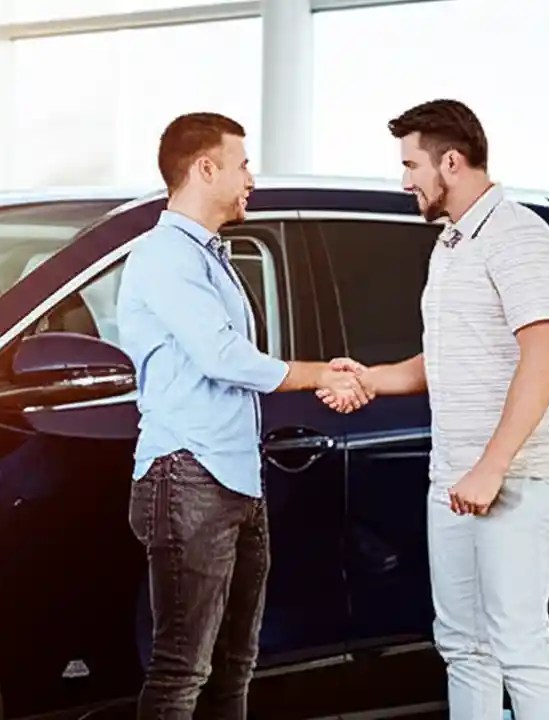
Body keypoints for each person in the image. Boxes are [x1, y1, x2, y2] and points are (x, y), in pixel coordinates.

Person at [321, 99, 549, 719]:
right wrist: (370, 380)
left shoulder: (517, 236)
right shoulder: (451, 246)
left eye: (411, 164)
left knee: (519, 646)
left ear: (450, 162)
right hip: (453, 477)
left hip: (512, 477)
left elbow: (543, 355)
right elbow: (449, 357)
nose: (405, 180)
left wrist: (492, 467)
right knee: (464, 647)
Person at [115, 111, 369, 719]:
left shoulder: (208, 256)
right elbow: (221, 356)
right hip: (187, 475)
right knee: (183, 669)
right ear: (206, 169)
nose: (251, 176)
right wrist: (319, 374)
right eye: (242, 163)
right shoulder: (163, 257)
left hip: (233, 479)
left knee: (234, 668)